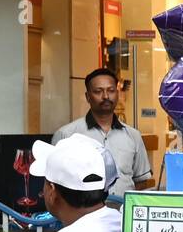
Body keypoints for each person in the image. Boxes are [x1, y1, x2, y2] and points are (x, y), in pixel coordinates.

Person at [52, 67, 154, 200]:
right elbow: (54, 184)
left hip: (122, 215)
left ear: (117, 93)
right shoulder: (66, 135)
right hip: (84, 217)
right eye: (98, 91)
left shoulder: (133, 136)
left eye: (111, 91)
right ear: (88, 97)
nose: (106, 96)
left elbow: (141, 181)